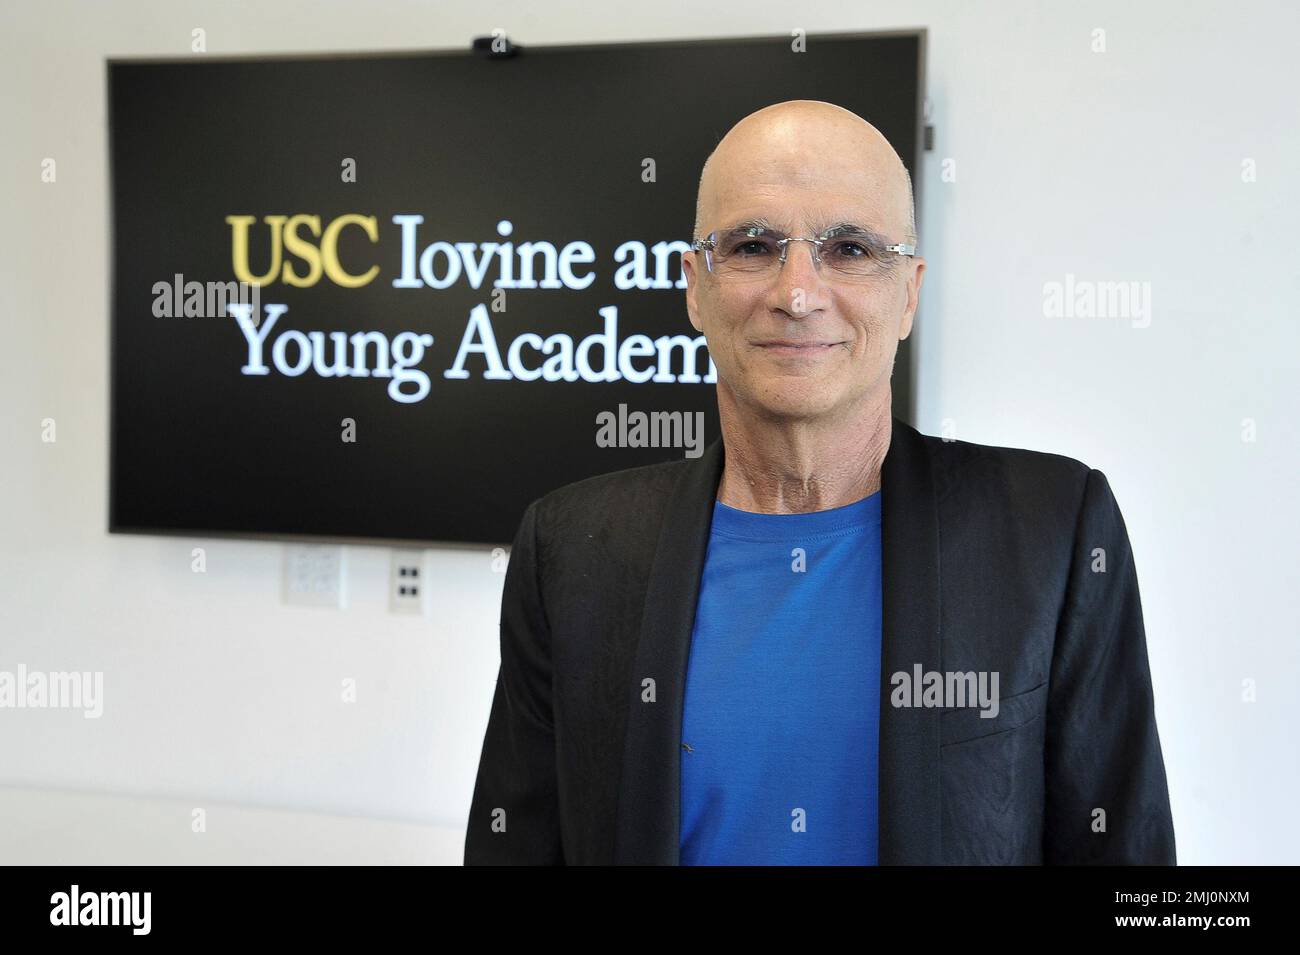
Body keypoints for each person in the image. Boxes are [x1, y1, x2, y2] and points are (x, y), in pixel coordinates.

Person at [464, 100, 1175, 865]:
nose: (797, 293)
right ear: (693, 287)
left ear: (908, 291)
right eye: (752, 245)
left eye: (849, 248)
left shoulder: (1054, 532)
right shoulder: (570, 550)